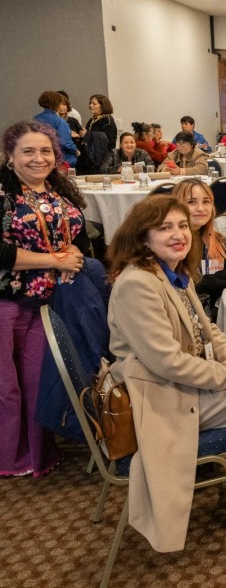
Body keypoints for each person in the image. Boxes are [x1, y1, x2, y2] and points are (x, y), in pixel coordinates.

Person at [106, 195, 226, 553]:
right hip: (157, 398)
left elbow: (208, 332)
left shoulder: (172, 272)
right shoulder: (139, 284)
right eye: (164, 228)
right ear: (142, 237)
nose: (178, 234)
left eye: (182, 226)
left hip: (177, 385)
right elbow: (167, 363)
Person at [0, 120, 86, 477]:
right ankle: (8, 457)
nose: (38, 158)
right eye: (28, 151)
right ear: (10, 156)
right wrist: (54, 260)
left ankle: (37, 453)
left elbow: (77, 233)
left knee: (36, 382)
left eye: (45, 150)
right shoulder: (4, 194)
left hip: (48, 302)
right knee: (6, 388)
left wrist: (74, 254)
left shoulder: (59, 192)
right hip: (6, 300)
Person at [172, 178, 226, 319]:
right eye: (191, 202)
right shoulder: (172, 244)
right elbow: (177, 286)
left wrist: (201, 283)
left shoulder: (215, 239)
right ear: (176, 207)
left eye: (206, 202)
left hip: (208, 315)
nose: (200, 208)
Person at [33, 91, 78, 168]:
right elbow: (65, 142)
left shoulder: (35, 119)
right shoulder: (59, 121)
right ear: (58, 104)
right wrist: (75, 150)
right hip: (61, 159)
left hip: (41, 157)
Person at [78, 94, 117, 174]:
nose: (91, 105)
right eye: (90, 103)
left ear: (102, 106)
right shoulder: (92, 119)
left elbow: (107, 139)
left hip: (102, 159)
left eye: (94, 104)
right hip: (88, 158)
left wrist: (88, 134)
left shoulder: (108, 120)